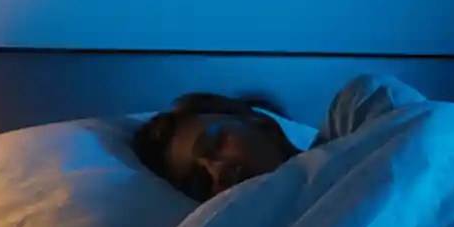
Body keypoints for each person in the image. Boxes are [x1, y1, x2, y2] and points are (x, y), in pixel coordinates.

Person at [133, 75, 427, 201]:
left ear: (260, 122)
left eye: (215, 143)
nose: (217, 171)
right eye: (200, 182)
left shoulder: (359, 108)